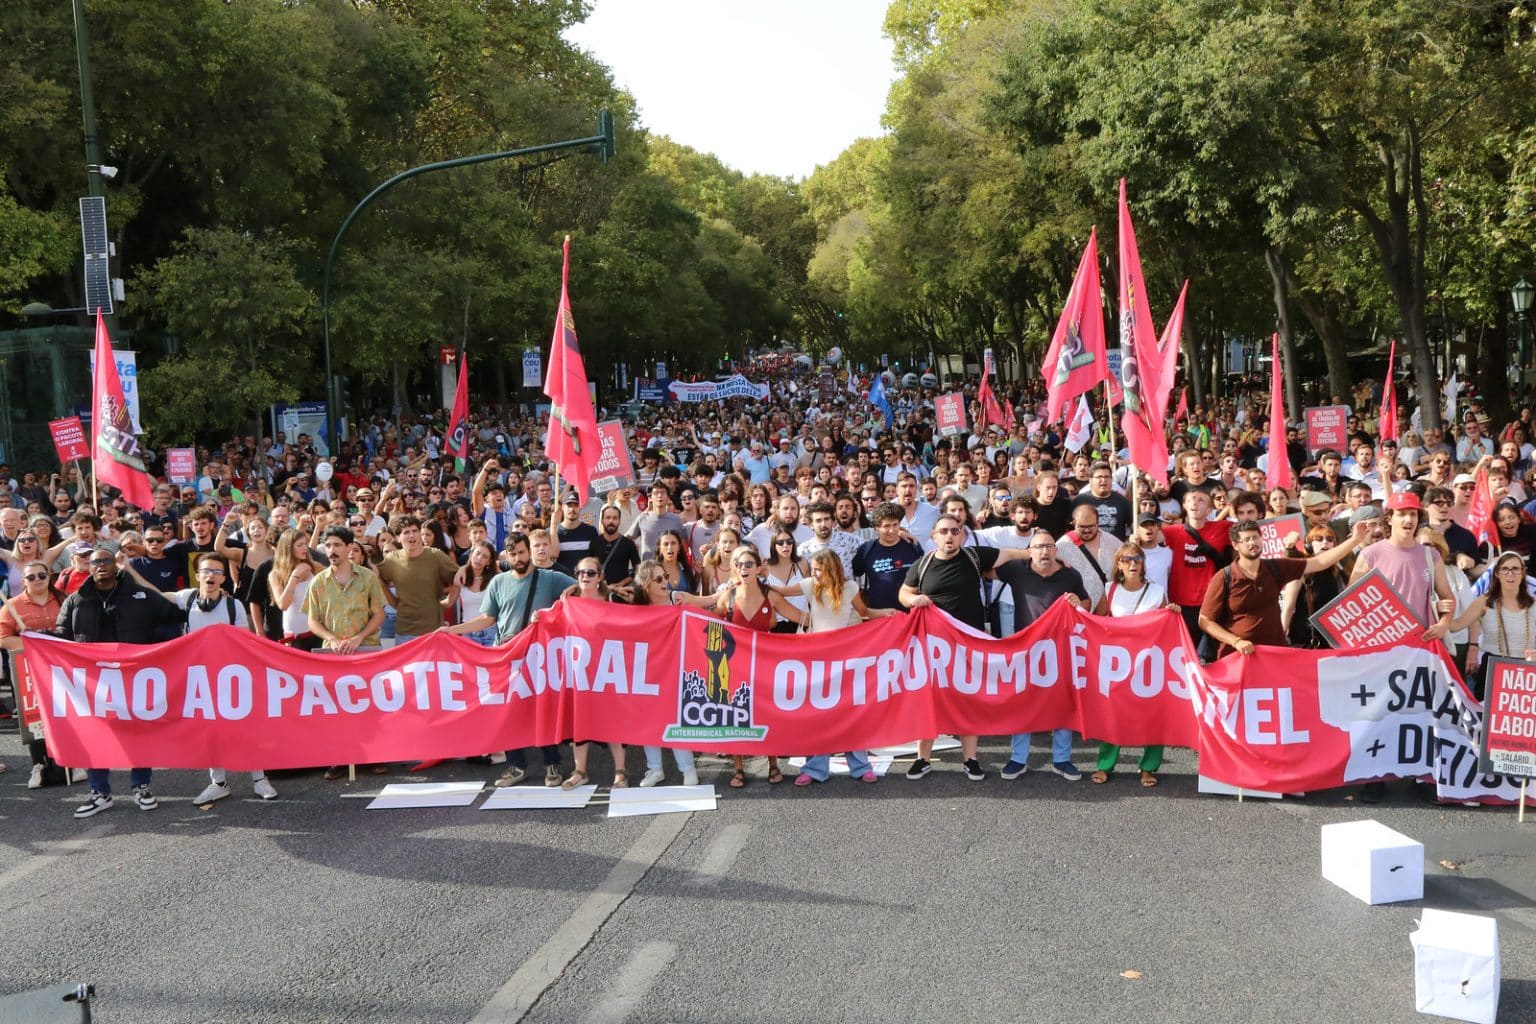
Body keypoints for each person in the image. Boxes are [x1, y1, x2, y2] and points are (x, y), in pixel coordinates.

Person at [56, 547, 185, 817]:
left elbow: (174, 616)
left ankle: (141, 786)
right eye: (95, 562)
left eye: (105, 560)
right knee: (95, 734)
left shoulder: (141, 595)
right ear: (88, 568)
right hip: (92, 681)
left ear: (116, 564)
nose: (101, 565)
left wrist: (158, 649)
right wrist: (38, 638)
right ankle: (100, 792)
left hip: (134, 676)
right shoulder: (76, 600)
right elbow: (61, 635)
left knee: (138, 731)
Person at [439, 532, 573, 786]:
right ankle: (516, 766)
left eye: (522, 552)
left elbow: (578, 587)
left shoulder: (549, 577)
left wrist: (557, 607)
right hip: (507, 654)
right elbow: (487, 619)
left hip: (538, 656)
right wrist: (450, 631)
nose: (519, 558)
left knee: (541, 711)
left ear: (529, 551)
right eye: (513, 554)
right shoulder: (499, 582)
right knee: (509, 713)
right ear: (506, 556)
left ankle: (552, 764)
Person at [898, 514, 1027, 781]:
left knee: (969, 700)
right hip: (934, 647)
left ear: (962, 535)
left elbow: (1011, 553)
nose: (949, 536)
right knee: (929, 701)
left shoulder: (974, 556)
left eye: (954, 531)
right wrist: (914, 599)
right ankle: (922, 758)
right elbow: (903, 593)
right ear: (933, 536)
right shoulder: (922, 564)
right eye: (943, 531)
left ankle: (971, 759)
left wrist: (1039, 551)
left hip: (969, 644)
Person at [767, 550, 894, 786]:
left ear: (831, 569)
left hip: (845, 657)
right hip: (815, 658)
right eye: (812, 569)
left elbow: (864, 613)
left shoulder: (850, 588)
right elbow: (779, 591)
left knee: (850, 712)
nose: (813, 573)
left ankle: (861, 766)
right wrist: (757, 578)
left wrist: (886, 614)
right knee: (818, 715)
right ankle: (814, 768)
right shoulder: (809, 585)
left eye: (817, 569)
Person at [163, 554, 279, 804]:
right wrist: (127, 569)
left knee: (244, 728)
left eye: (216, 572)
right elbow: (157, 595)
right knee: (210, 731)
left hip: (230, 676)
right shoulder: (188, 598)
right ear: (198, 576)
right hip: (201, 677)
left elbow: (241, 639)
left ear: (224, 578)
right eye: (206, 571)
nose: (211, 576)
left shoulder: (233, 605)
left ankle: (259, 780)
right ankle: (218, 782)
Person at [992, 529, 1090, 781]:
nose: (1044, 551)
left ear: (1056, 551)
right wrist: (1015, 553)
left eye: (1049, 546)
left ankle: (1062, 759)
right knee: (1022, 702)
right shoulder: (1016, 570)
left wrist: (1078, 602)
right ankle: (1018, 759)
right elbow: (982, 564)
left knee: (1062, 703)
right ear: (1030, 551)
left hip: (1061, 648)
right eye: (1038, 547)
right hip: (1025, 648)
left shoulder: (1070, 575)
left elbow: (1087, 603)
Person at [1200, 517, 1374, 658]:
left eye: (1255, 537)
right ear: (1236, 545)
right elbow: (1205, 621)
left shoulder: (1275, 567)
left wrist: (1355, 540)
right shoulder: (1224, 577)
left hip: (1274, 655)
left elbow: (1319, 562)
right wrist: (1235, 641)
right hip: (1236, 658)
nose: (1252, 542)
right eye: (1247, 539)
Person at [303, 526, 390, 780]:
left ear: (349, 547)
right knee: (335, 708)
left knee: (368, 704)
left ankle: (374, 757)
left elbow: (379, 613)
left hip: (365, 649)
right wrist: (330, 638)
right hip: (333, 655)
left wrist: (358, 638)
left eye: (337, 545)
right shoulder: (318, 582)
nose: (331, 551)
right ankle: (338, 759)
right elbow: (312, 620)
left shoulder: (367, 578)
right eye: (327, 546)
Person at [1090, 543, 1173, 787]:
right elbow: (1096, 621)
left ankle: (1148, 767)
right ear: (1118, 564)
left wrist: (1173, 612)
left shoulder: (1157, 591)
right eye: (1126, 559)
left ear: (1143, 563)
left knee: (1152, 714)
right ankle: (1105, 765)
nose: (1133, 564)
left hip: (1149, 663)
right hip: (1118, 664)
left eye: (1137, 559)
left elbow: (1168, 624)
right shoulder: (1111, 590)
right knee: (1113, 714)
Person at [557, 557, 631, 789]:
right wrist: (537, 618)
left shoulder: (613, 599)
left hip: (609, 671)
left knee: (613, 722)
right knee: (580, 722)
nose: (585, 577)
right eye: (581, 573)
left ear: (600, 577)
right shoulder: (568, 602)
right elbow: (553, 623)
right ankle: (580, 771)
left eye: (590, 573)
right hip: (580, 673)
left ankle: (620, 772)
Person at [0, 560, 69, 788]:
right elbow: (2, 637)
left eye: (42, 575)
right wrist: (31, 643)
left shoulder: (63, 599)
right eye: (31, 577)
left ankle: (69, 760)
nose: (37, 579)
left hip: (61, 667)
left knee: (64, 712)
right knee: (34, 717)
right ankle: (38, 763)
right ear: (23, 581)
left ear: (49, 576)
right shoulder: (12, 605)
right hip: (27, 669)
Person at [1446, 550, 1535, 700]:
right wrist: (1440, 609)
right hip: (1492, 669)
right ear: (1497, 574)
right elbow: (1455, 626)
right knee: (1488, 720)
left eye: (1515, 569)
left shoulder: (1533, 605)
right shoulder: (1485, 602)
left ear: (1523, 573)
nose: (1510, 574)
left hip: (1525, 675)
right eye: (1505, 569)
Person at [376, 515, 458, 644]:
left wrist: (450, 600)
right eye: (406, 532)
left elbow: (459, 576)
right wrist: (394, 603)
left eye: (415, 531)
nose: (411, 536)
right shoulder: (391, 559)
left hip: (433, 631)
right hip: (404, 633)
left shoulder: (435, 555)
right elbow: (376, 578)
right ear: (397, 538)